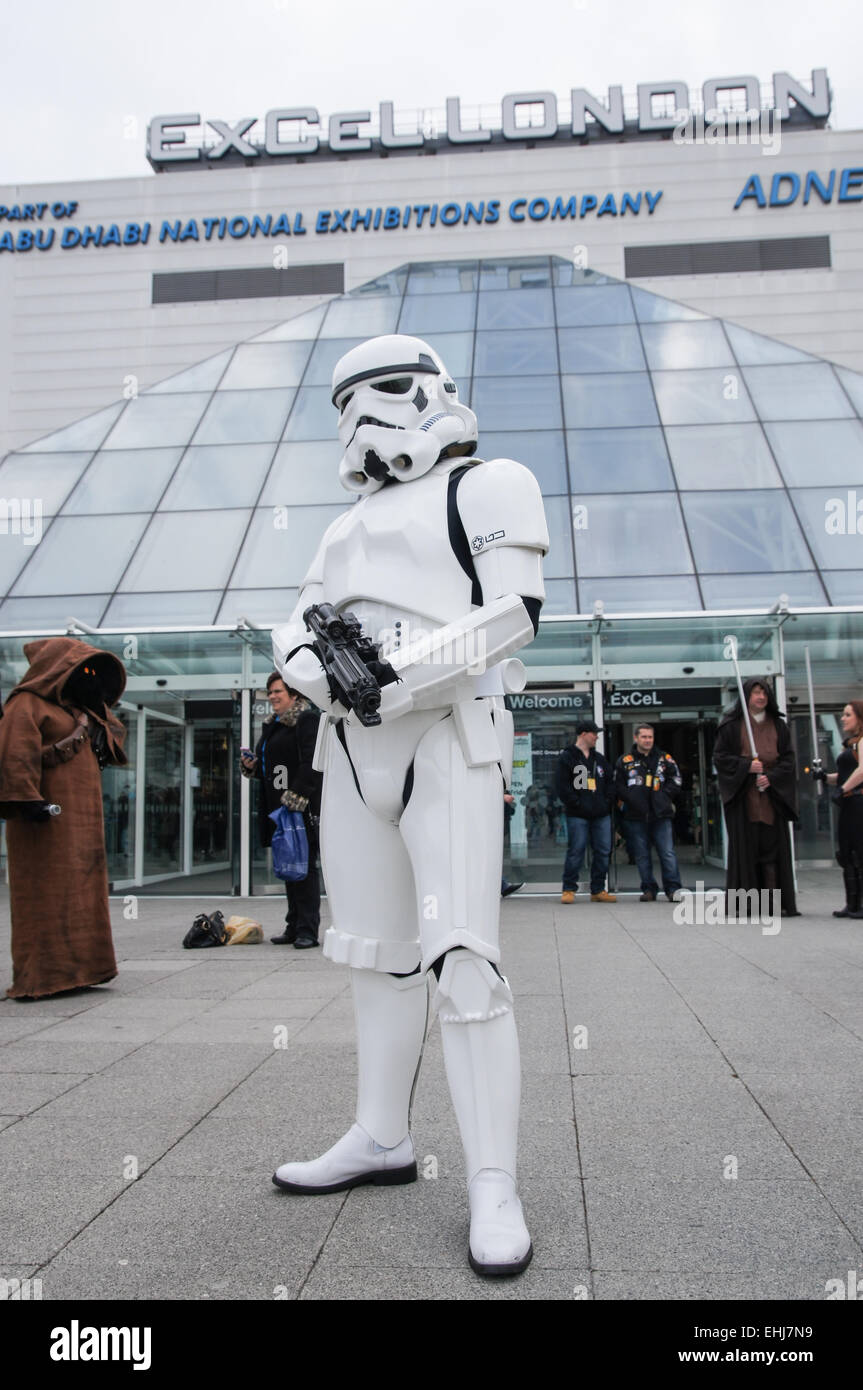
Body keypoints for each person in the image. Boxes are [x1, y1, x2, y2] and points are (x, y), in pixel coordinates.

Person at [269, 333, 548, 1276]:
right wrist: (313, 670)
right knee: (375, 957)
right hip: (350, 749)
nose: (366, 416)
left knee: (462, 958)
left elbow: (514, 611)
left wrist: (399, 679)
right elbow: (299, 617)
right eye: (347, 400)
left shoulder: (490, 483)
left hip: (448, 731)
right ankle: (380, 1134)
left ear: (434, 390)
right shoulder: (342, 526)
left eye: (384, 391)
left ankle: (492, 1182)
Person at [0, 638, 127, 1000]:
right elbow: (13, 754)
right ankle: (42, 976)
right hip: (46, 822)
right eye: (82, 670)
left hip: (83, 821)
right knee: (45, 894)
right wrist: (25, 799)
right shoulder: (26, 704)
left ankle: (85, 969)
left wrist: (96, 712)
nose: (88, 678)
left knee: (84, 894)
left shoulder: (80, 710)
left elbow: (114, 744)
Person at [240, 674, 322, 948]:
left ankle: (307, 930)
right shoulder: (273, 726)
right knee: (289, 867)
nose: (273, 696)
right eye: (270, 692)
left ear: (294, 695)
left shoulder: (306, 719)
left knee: (304, 868)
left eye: (278, 692)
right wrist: (252, 766)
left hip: (298, 809)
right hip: (278, 809)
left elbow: (313, 762)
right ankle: (293, 925)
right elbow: (271, 766)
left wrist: (295, 797)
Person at [712, 677, 798, 916]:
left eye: (764, 693)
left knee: (772, 849)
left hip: (771, 798)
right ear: (746, 696)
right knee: (745, 850)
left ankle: (773, 902)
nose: (760, 697)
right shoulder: (731, 725)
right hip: (744, 797)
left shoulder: (779, 726)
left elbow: (789, 760)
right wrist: (747, 767)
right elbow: (721, 757)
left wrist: (771, 777)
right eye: (755, 693)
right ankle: (747, 903)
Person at [615, 723, 683, 902]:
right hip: (635, 816)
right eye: (644, 737)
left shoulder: (664, 758)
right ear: (636, 738)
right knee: (642, 855)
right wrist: (631, 799)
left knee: (667, 852)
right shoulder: (625, 760)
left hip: (661, 814)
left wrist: (663, 797)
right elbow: (618, 786)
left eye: (650, 737)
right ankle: (648, 889)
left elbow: (676, 779)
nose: (647, 740)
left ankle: (673, 889)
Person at [556, 719, 616, 904]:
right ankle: (568, 888)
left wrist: (606, 803)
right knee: (577, 850)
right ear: (583, 734)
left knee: (603, 850)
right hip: (578, 814)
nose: (597, 737)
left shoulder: (599, 758)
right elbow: (562, 785)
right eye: (594, 733)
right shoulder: (568, 757)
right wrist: (576, 803)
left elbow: (610, 783)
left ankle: (598, 889)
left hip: (601, 814)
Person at [819, 700, 863, 918]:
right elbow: (845, 775)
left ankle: (861, 904)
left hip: (858, 803)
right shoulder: (851, 744)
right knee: (846, 853)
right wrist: (825, 778)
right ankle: (852, 903)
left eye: (848, 715)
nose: (843, 718)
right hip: (848, 803)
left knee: (859, 852)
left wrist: (843, 788)